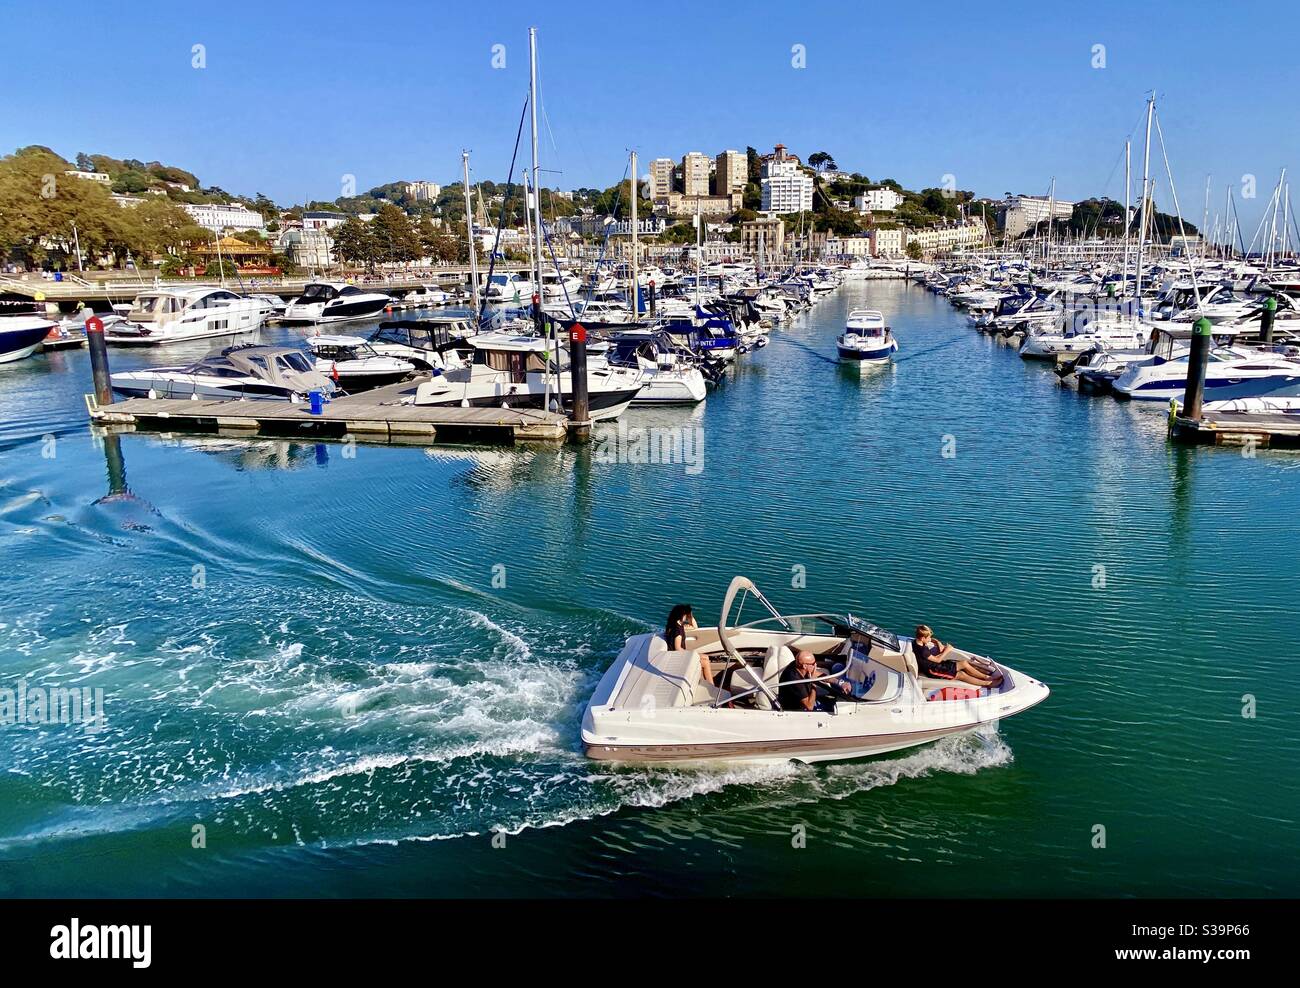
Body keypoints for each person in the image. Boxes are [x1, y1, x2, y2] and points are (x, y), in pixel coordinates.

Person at [911, 625, 1000, 687]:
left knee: (964, 663)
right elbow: (938, 660)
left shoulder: (916, 642)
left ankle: (987, 677)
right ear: (922, 638)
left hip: (935, 665)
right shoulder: (923, 651)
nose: (930, 639)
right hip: (933, 670)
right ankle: (989, 683)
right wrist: (947, 650)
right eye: (928, 638)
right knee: (961, 675)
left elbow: (931, 640)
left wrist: (938, 642)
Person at [779, 649, 850, 711]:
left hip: (807, 700)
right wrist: (813, 683)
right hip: (798, 709)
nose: (815, 665)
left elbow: (819, 675)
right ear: (805, 666)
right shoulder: (795, 681)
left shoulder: (797, 664)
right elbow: (809, 707)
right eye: (813, 664)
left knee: (833, 701)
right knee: (838, 708)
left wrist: (840, 683)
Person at [664, 604, 711, 686]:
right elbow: (678, 649)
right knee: (705, 663)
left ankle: (703, 682)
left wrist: (691, 617)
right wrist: (691, 654)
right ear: (682, 615)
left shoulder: (677, 624)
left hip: (679, 655)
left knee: (706, 657)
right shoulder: (677, 631)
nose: (687, 616)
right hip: (678, 657)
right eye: (686, 615)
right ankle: (711, 686)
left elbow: (694, 627)